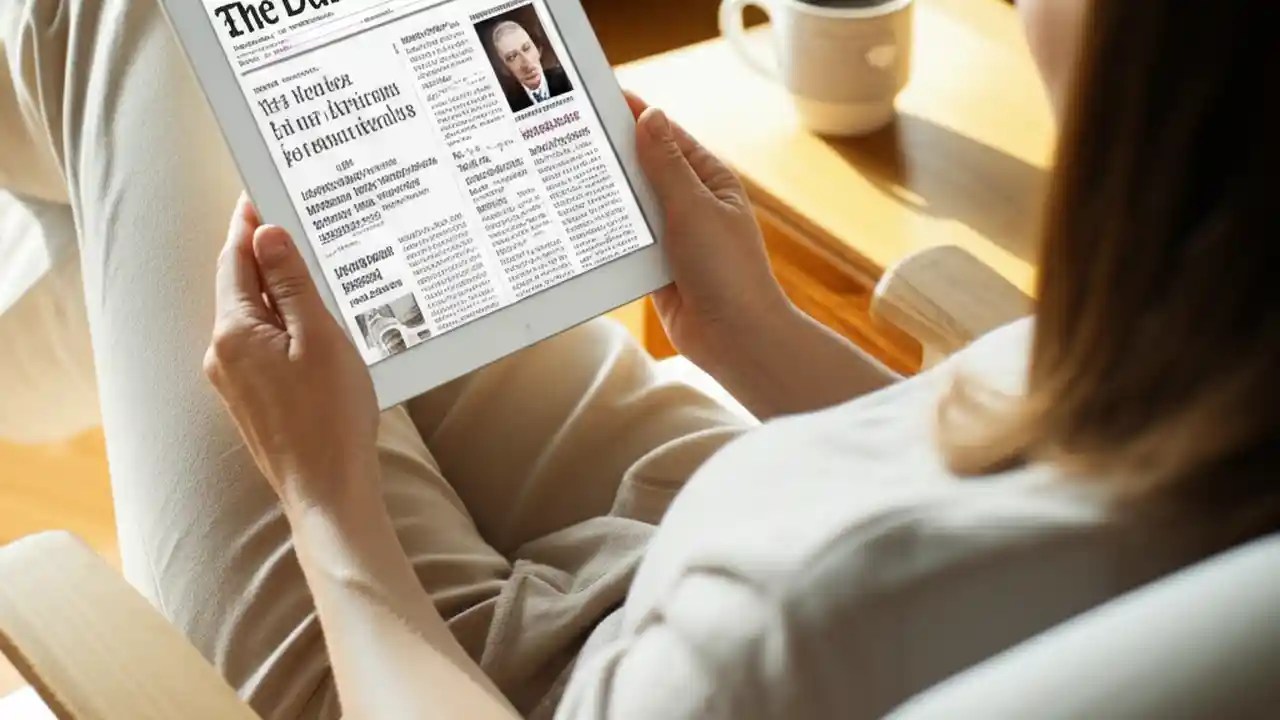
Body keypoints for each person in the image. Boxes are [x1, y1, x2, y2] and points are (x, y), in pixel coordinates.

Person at [1, 1, 1275, 719]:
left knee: (113, 18)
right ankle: (73, 252)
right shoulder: (1224, 347)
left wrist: (324, 496)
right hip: (720, 526)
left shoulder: (795, 627)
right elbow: (1048, 482)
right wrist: (756, 336)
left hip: (446, 677)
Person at [491, 19, 572, 112]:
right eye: (512, 57)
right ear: (505, 68)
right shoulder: (508, 106)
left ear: (538, 50)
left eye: (526, 48)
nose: (527, 63)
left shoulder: (568, 79)